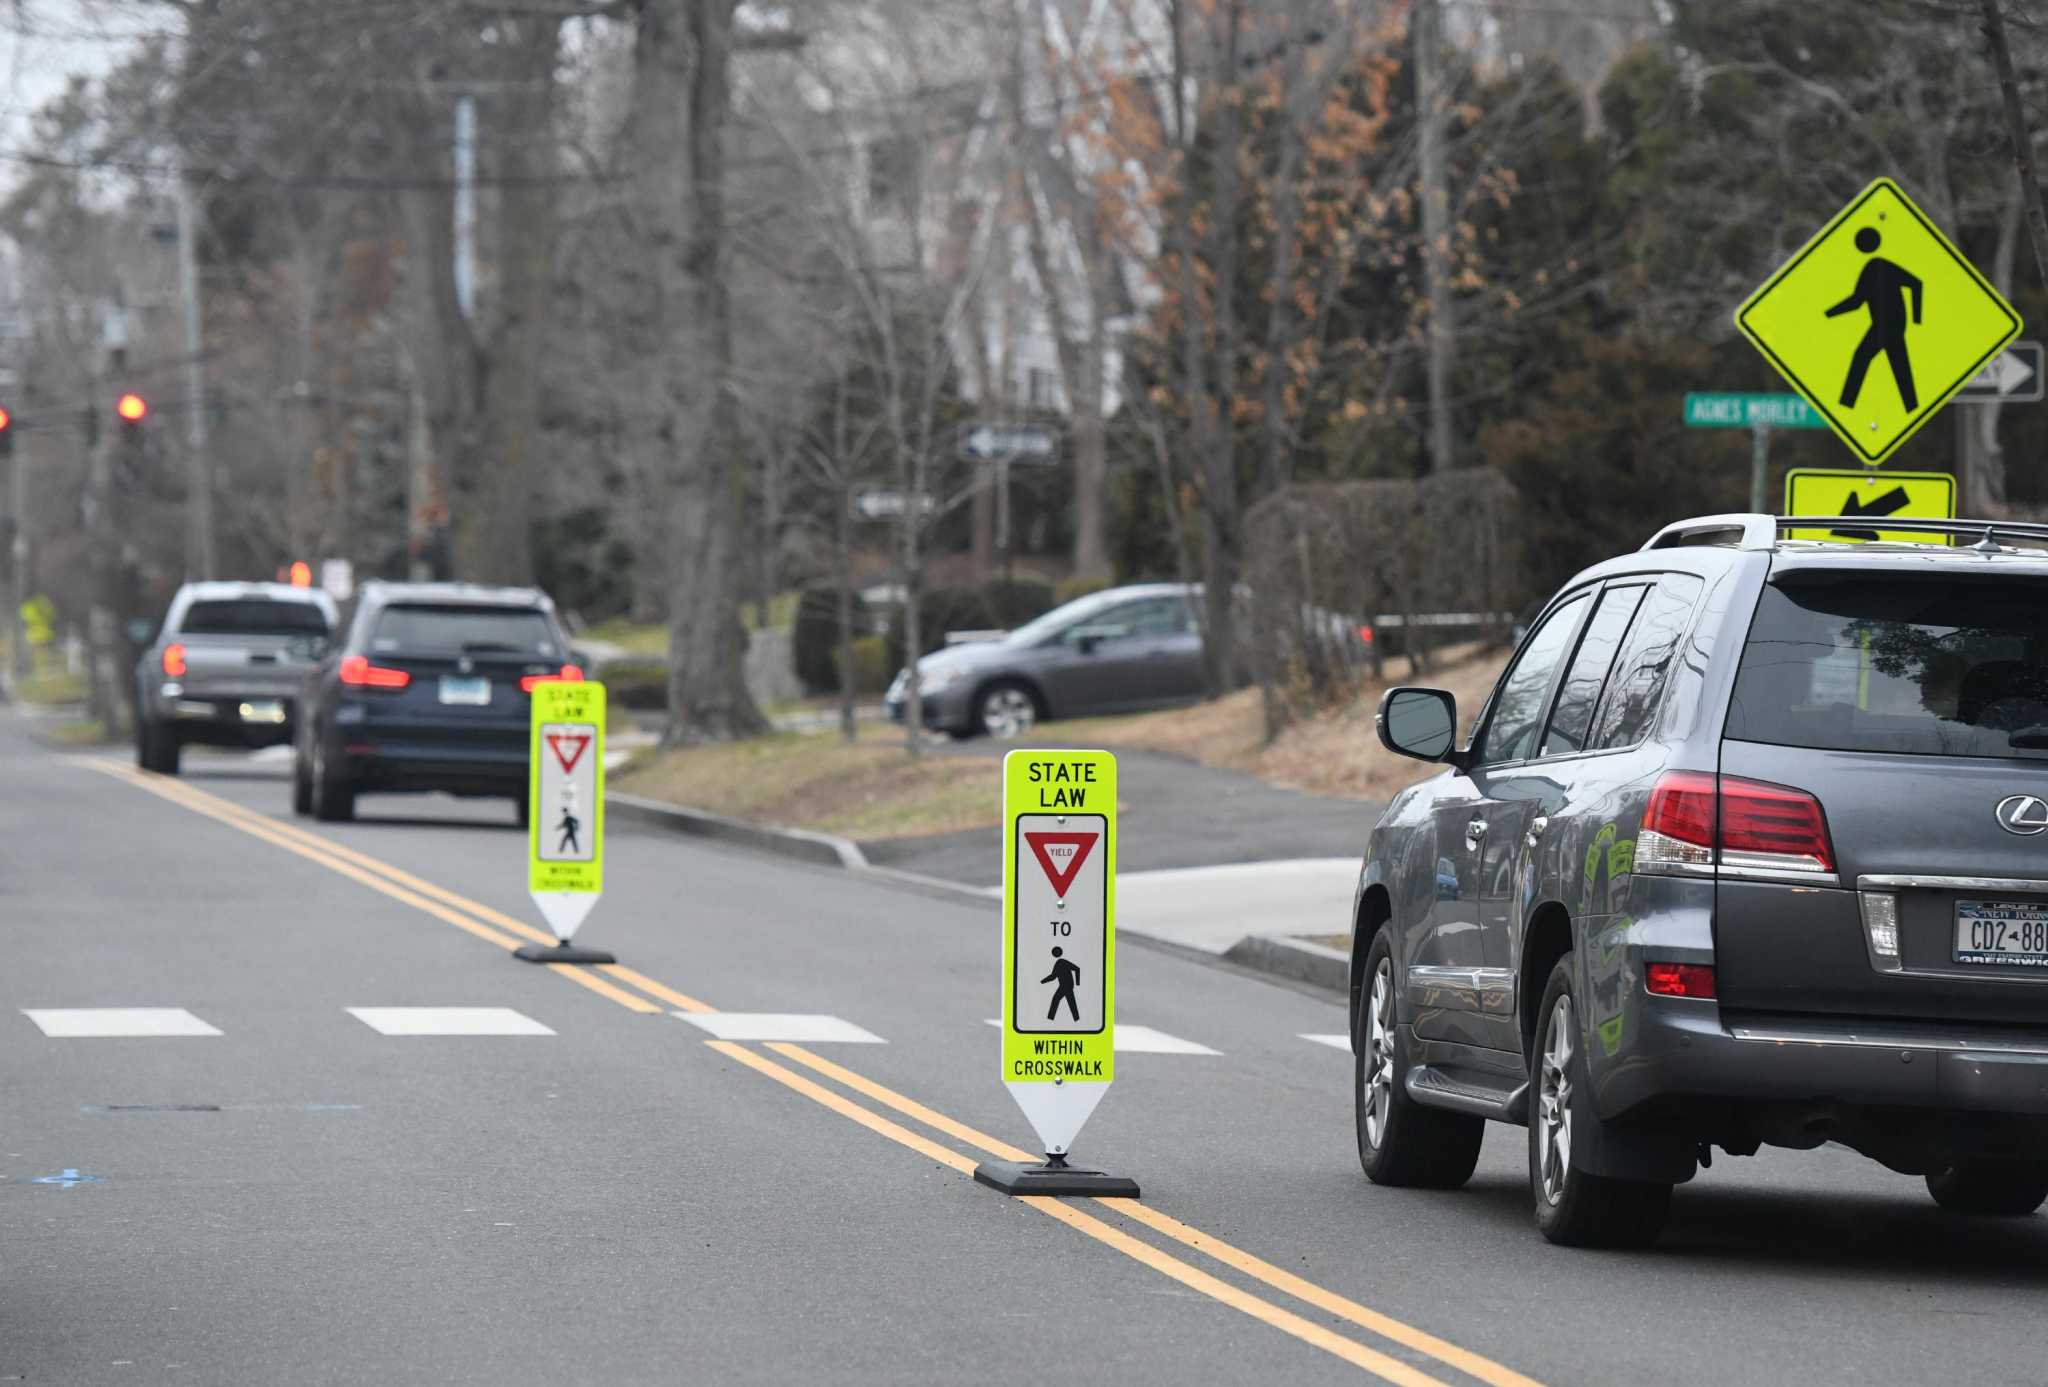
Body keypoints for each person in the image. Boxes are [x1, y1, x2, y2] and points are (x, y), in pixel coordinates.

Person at [1827, 227, 1923, 413]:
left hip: (1888, 326)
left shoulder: (1878, 266)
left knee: (1863, 358)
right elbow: (1857, 301)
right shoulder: (1871, 268)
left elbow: (1916, 284)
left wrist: (1917, 319)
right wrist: (1829, 313)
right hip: (1886, 326)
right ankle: (1911, 407)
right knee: (1898, 367)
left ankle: (1847, 405)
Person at [1042, 946, 1081, 1023]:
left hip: (1065, 986)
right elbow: (1053, 976)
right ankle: (1076, 1019)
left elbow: (1077, 969)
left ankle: (1050, 1019)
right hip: (1066, 986)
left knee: (1056, 999)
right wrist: (1043, 981)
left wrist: (1077, 983)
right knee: (1070, 1002)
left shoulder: (1061, 962)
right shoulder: (1059, 962)